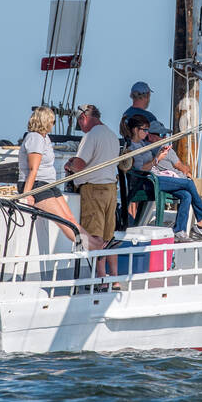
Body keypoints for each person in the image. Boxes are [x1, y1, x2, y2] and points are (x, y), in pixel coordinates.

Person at [125, 115, 202, 241]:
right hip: (148, 182)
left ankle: (179, 231)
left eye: (147, 130)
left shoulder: (143, 145)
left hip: (155, 178)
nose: (146, 133)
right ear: (135, 130)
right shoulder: (132, 148)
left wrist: (161, 153)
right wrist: (157, 159)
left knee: (186, 195)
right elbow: (140, 169)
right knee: (188, 183)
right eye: (144, 130)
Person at [18, 106, 99, 249]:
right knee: (64, 222)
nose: (53, 125)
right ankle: (93, 247)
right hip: (37, 186)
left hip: (48, 184)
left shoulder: (44, 138)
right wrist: (27, 194)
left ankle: (97, 245)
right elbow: (33, 169)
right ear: (44, 121)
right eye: (52, 121)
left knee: (71, 219)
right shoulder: (35, 138)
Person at [63, 104, 119, 282]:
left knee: (94, 236)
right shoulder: (112, 135)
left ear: (83, 118)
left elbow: (79, 165)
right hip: (111, 189)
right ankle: (114, 279)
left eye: (80, 123)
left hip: (93, 189)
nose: (81, 127)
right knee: (109, 237)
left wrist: (69, 165)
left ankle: (101, 279)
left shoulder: (91, 135)